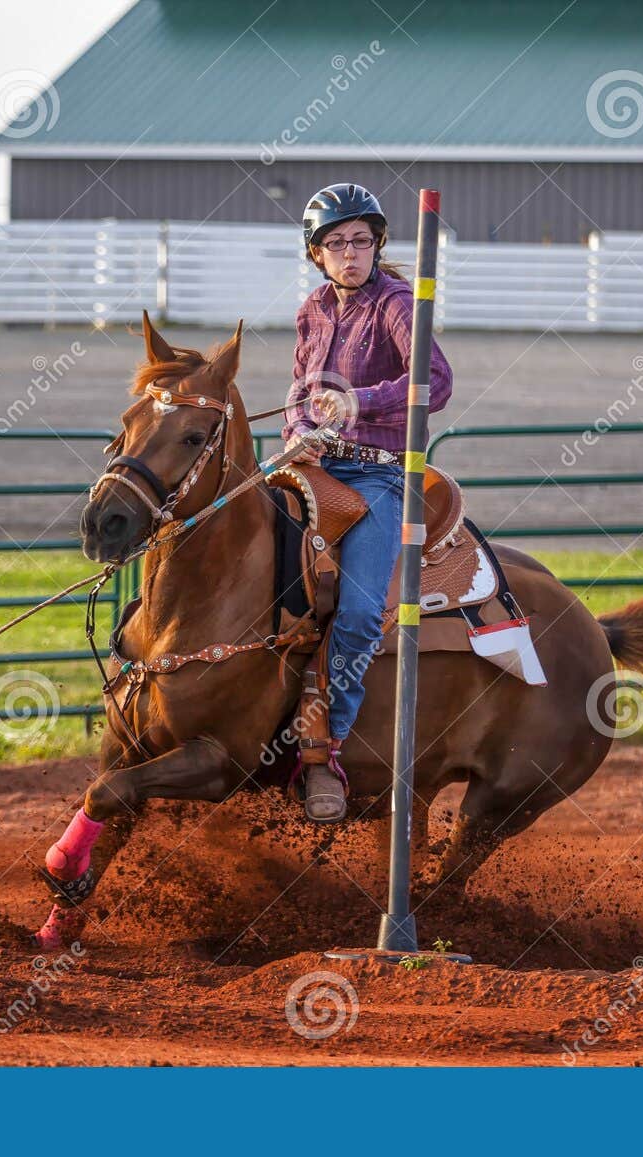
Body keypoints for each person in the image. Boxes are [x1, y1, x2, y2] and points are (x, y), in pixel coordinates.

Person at [282, 182, 454, 823]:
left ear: (378, 245)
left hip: (381, 476)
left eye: (360, 240)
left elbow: (435, 382)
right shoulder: (311, 310)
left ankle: (326, 749)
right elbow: (300, 397)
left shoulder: (398, 303)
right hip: (315, 467)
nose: (349, 252)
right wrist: (298, 436)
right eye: (336, 243)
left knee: (356, 613)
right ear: (316, 253)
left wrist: (361, 402)